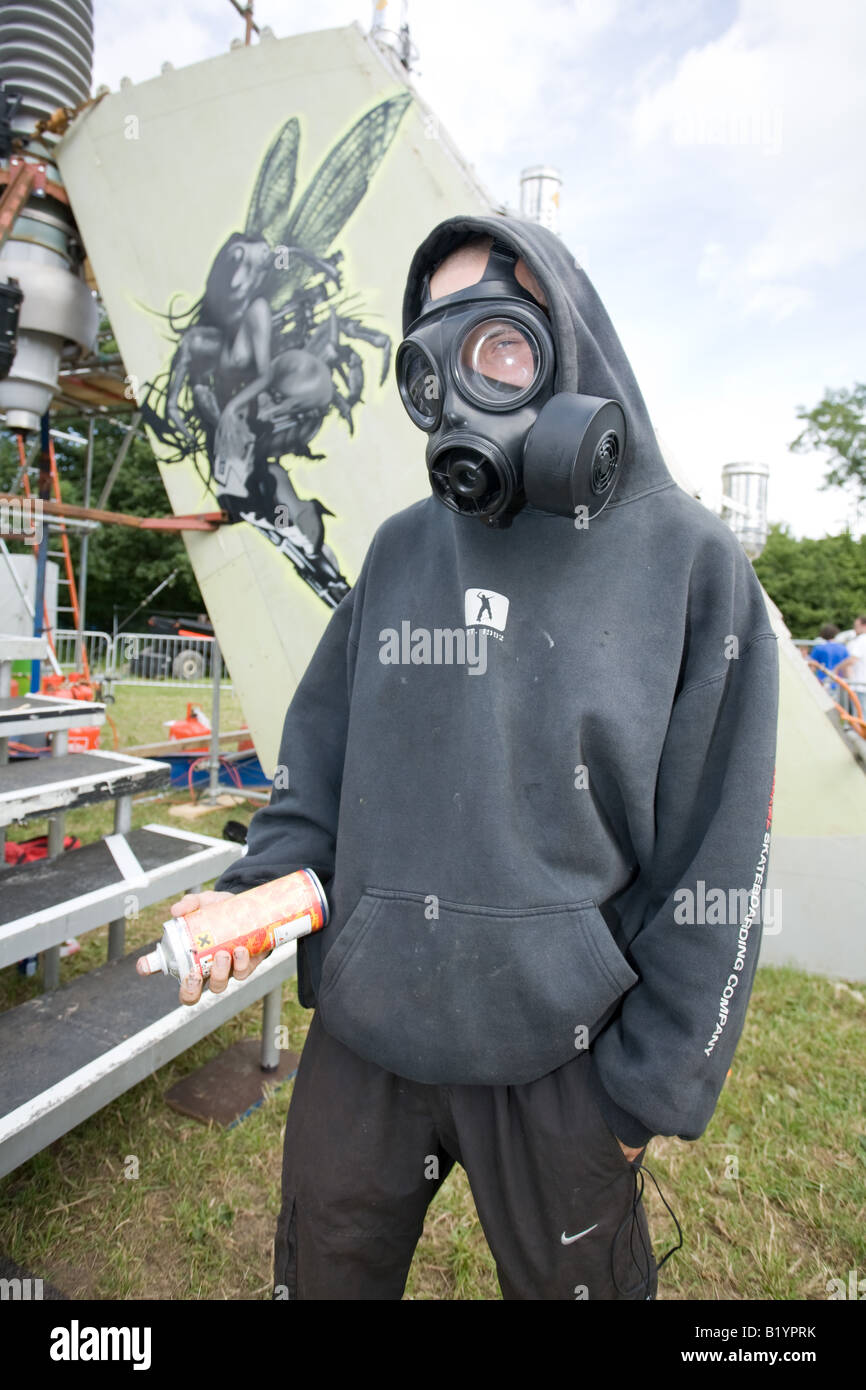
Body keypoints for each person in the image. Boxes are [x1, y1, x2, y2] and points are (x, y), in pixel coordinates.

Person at [166, 213, 779, 1300]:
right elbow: (318, 765)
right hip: (368, 1036)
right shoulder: (401, 548)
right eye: (430, 360)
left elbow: (714, 863)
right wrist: (257, 892)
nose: (463, 385)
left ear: (570, 342)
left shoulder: (688, 562)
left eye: (496, 341)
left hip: (564, 1060)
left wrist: (638, 1100)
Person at [836, 614, 866, 723]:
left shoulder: (862, 640)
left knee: (860, 717)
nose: (855, 628)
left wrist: (837, 668)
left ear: (864, 625)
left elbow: (853, 660)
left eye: (856, 626)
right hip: (861, 684)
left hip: (860, 685)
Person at [809, 623, 850, 697]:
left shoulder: (819, 648)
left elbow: (812, 667)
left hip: (822, 683)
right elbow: (846, 668)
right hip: (839, 683)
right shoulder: (843, 648)